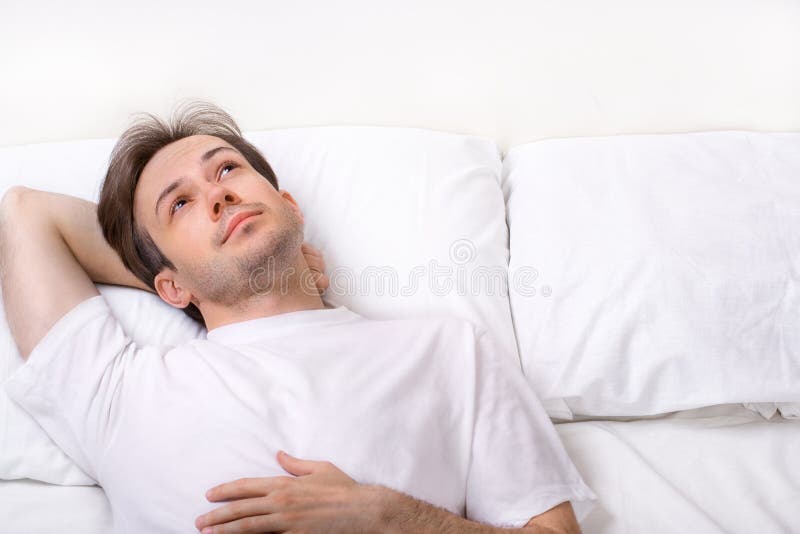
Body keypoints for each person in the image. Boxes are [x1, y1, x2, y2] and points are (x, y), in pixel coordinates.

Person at [0, 102, 597, 534]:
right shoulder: (118, 392)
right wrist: (206, 274)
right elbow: (25, 216)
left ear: (289, 207)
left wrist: (387, 518)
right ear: (168, 285)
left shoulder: (448, 351)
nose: (217, 195)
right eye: (179, 204)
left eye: (227, 170)